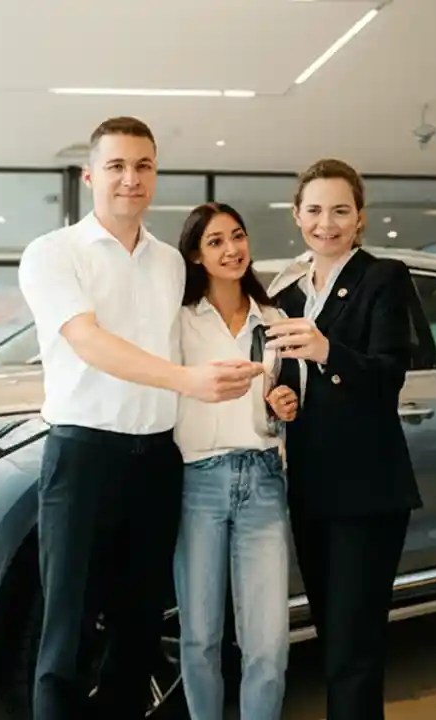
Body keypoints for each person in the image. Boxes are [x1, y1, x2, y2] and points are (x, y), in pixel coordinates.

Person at [17, 117, 265, 720]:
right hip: (84, 457)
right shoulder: (53, 254)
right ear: (89, 176)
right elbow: (89, 341)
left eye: (144, 166)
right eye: (117, 166)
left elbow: (211, 332)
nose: (131, 179)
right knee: (67, 634)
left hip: (158, 460)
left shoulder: (171, 264)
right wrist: (188, 382)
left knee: (138, 631)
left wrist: (266, 393)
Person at [264, 158, 424, 720]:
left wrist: (327, 350)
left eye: (339, 211)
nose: (325, 223)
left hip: (366, 489)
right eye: (313, 210)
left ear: (359, 218)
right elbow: (292, 381)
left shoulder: (383, 277)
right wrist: (280, 397)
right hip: (311, 486)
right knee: (332, 635)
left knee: (353, 647)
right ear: (296, 215)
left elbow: (386, 377)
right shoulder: (287, 294)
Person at [172, 202, 299, 720]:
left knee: (268, 644)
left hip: (264, 480)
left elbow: (287, 402)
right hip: (197, 481)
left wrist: (286, 406)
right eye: (216, 242)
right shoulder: (177, 321)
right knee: (200, 636)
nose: (232, 249)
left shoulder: (276, 321)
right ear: (197, 256)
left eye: (238, 236)